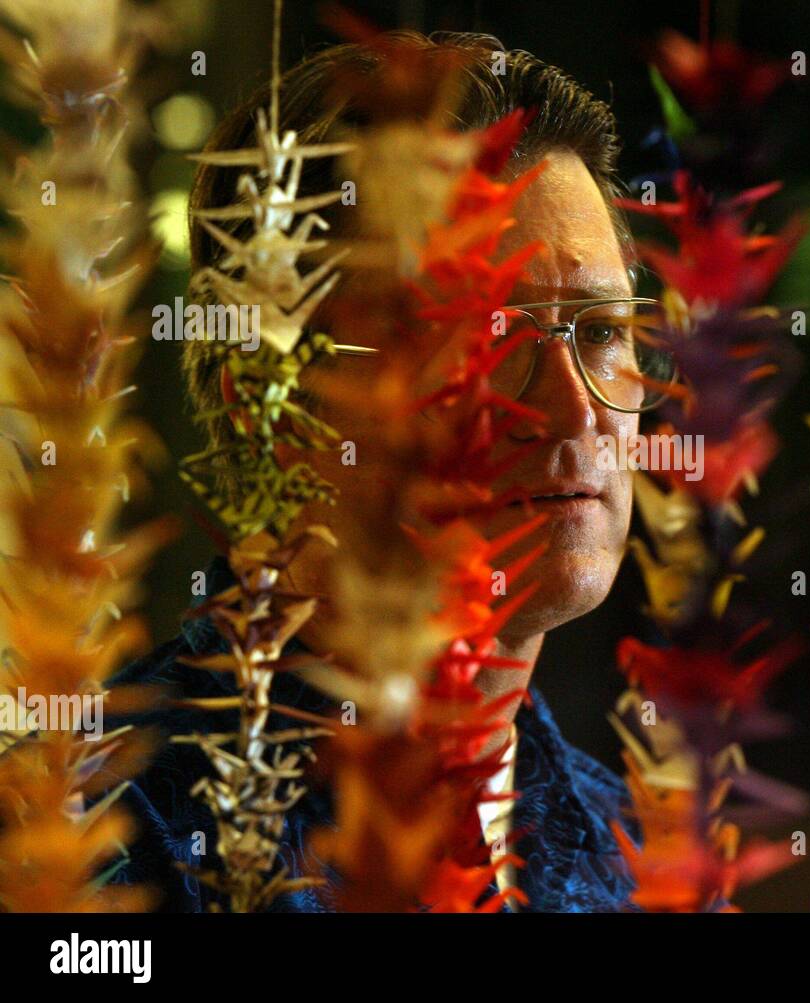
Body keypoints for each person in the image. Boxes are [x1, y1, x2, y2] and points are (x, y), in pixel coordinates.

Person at [112, 30, 668, 912]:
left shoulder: (640, 852)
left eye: (601, 331)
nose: (577, 410)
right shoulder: (101, 832)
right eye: (482, 340)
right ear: (271, 403)